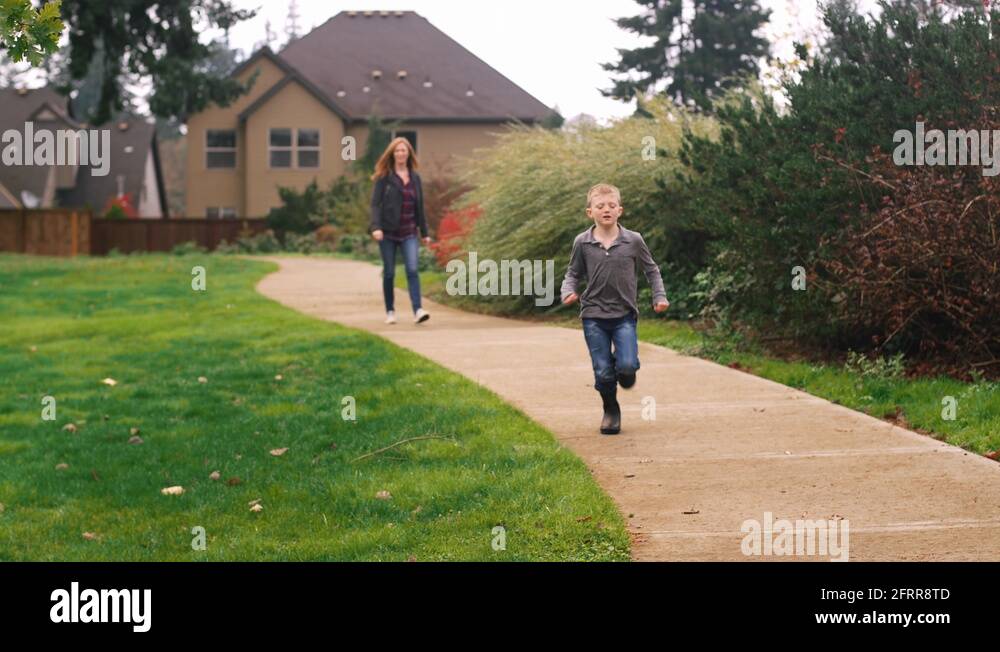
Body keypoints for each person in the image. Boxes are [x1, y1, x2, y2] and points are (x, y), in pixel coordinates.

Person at [560, 183, 670, 435]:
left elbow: (651, 270)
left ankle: (624, 369)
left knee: (628, 365)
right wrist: (568, 291)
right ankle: (611, 409)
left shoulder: (633, 240)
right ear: (590, 212)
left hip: (623, 316)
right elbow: (573, 274)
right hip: (593, 316)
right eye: (600, 206)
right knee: (602, 371)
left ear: (620, 210)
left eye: (611, 206)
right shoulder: (583, 242)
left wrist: (659, 296)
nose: (606, 210)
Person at [369, 137, 432, 325]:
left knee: (412, 269)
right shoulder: (384, 178)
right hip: (387, 232)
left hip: (409, 232)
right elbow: (375, 204)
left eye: (404, 150)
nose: (400, 154)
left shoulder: (415, 178)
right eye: (397, 151)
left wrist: (425, 232)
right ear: (392, 154)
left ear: (409, 154)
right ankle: (390, 311)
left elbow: (420, 206)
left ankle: (418, 310)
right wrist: (376, 227)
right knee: (389, 272)